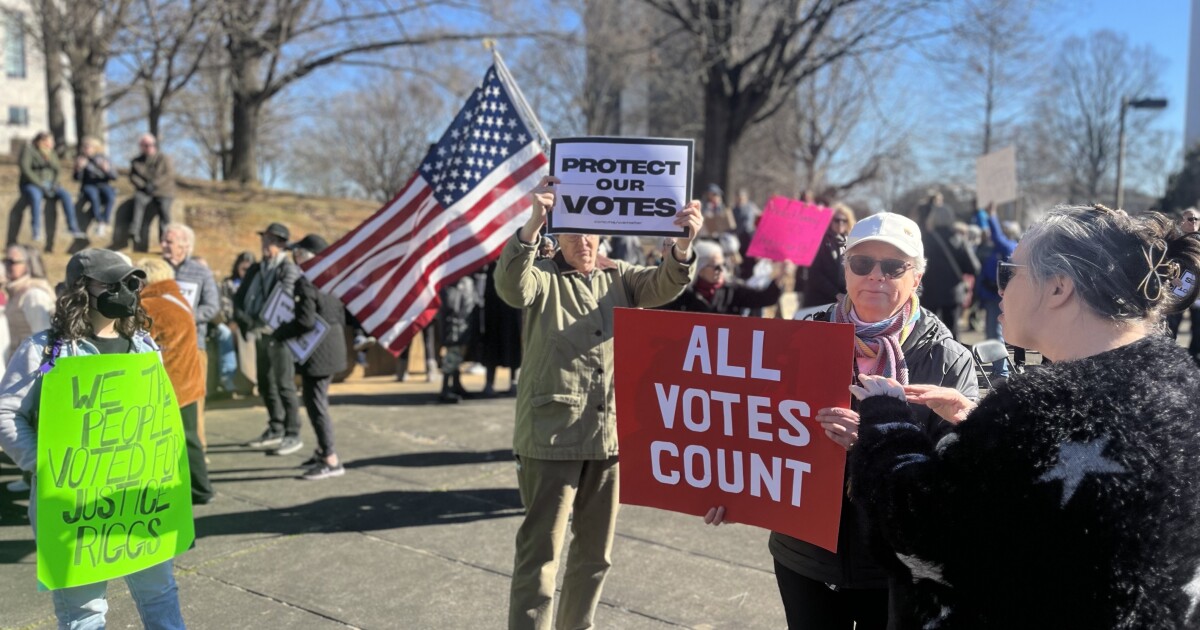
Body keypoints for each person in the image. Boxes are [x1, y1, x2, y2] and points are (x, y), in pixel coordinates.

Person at [847, 204, 1200, 628]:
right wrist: (977, 425)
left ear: (1058, 288)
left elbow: (916, 532)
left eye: (1010, 272)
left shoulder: (1042, 409)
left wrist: (888, 422)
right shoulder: (1180, 378)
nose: (999, 289)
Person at [706, 212, 979, 629]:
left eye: (893, 267)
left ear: (917, 276)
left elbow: (962, 476)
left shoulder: (948, 359)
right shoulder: (799, 336)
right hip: (804, 554)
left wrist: (876, 443)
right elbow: (753, 426)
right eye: (861, 263)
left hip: (891, 565)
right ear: (846, 267)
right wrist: (728, 486)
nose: (876, 276)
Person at [496, 174, 701, 630]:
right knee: (540, 557)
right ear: (558, 235)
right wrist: (533, 224)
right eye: (571, 233)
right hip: (551, 437)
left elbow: (666, 284)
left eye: (590, 232)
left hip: (608, 438)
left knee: (595, 557)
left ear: (603, 233)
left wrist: (683, 247)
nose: (582, 242)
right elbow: (512, 288)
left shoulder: (620, 276)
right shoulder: (543, 277)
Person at [0, 248, 186, 628]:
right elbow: (7, 413)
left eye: (132, 282)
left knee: (160, 596)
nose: (127, 290)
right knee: (84, 614)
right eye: (113, 283)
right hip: (72, 507)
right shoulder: (45, 350)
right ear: (83, 289)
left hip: (137, 502)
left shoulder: (144, 345)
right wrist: (46, 464)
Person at [136, 257, 214, 504]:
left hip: (169, 383)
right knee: (189, 439)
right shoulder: (176, 298)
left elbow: (137, 342)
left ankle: (197, 489)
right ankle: (201, 488)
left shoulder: (151, 306)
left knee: (166, 442)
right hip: (188, 379)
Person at [273, 234, 348, 480]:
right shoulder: (333, 279)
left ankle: (330, 458)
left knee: (316, 404)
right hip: (333, 346)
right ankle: (322, 451)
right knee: (318, 400)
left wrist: (281, 331)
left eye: (298, 254)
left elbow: (304, 322)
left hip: (316, 351)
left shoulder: (307, 282)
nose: (295, 258)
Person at [234, 222, 303, 456]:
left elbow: (285, 298)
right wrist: (245, 319)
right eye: (264, 240)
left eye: (272, 241)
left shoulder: (288, 268)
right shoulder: (256, 268)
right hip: (260, 332)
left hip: (279, 334)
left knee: (284, 384)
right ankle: (275, 426)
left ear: (282, 244)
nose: (266, 245)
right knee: (265, 383)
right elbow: (240, 296)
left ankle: (292, 432)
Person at [161, 223, 220, 446]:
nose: (163, 245)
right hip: (161, 349)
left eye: (169, 241)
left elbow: (212, 307)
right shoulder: (156, 270)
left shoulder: (201, 272)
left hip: (193, 347)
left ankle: (198, 453)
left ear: (185, 245)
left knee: (194, 403)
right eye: (163, 240)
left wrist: (183, 317)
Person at [664, 240, 783, 314]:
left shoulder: (732, 290)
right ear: (700, 269)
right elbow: (661, 310)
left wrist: (779, 279)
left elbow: (764, 298)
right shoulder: (684, 293)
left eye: (723, 265)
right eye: (716, 267)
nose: (721, 270)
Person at [16, 132, 85, 252]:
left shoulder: (52, 153)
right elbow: (25, 168)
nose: (51, 143)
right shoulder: (30, 150)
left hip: (51, 184)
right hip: (32, 184)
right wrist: (39, 183)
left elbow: (58, 170)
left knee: (66, 196)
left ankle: (72, 227)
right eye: (49, 141)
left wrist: (54, 184)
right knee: (35, 197)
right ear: (41, 141)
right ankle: (36, 230)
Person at [921, 202, 980, 340]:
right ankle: (953, 360)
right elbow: (974, 268)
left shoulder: (925, 239)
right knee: (952, 333)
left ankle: (928, 361)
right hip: (953, 293)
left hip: (930, 292)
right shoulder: (958, 239)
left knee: (927, 332)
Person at [478, 261, 522, 397]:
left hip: (513, 301)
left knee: (514, 340)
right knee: (492, 341)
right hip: (493, 302)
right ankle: (489, 382)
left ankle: (513, 381)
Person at [799, 203, 855, 308]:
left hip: (843, 302)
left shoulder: (851, 243)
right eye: (836, 220)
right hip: (819, 302)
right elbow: (814, 274)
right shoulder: (820, 240)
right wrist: (836, 294)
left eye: (844, 220)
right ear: (830, 220)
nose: (840, 223)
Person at [129, 134, 176, 253]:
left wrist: (154, 184)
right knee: (138, 202)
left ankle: (165, 241)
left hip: (163, 191)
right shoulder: (137, 161)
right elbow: (133, 177)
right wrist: (144, 186)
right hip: (145, 192)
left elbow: (168, 175)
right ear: (141, 146)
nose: (149, 147)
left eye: (151, 144)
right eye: (145, 145)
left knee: (164, 214)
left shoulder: (164, 158)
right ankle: (134, 231)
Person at [4, 245, 55, 356]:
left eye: (12, 262)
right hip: (16, 362)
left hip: (29, 366)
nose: (6, 266)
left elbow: (43, 339)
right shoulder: (16, 292)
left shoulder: (34, 295)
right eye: (5, 261)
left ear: (27, 265)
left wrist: (43, 370)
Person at [436, 275, 480, 403]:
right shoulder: (452, 282)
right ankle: (445, 389)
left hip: (464, 324)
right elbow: (451, 305)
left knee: (458, 357)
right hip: (454, 326)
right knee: (452, 357)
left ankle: (456, 385)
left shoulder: (467, 281)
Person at [218, 251, 256, 395]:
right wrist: (232, 321)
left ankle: (250, 381)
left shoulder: (256, 284)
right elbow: (224, 304)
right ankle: (230, 379)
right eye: (243, 266)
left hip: (250, 323)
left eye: (249, 267)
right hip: (232, 323)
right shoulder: (228, 283)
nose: (246, 270)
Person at [1167, 207, 1200, 354]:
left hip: (1197, 293)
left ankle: (1193, 358)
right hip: (1176, 291)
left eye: (1196, 219)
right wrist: (1172, 277)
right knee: (1171, 328)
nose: (1193, 222)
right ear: (1182, 222)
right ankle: (1169, 357)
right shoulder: (1174, 241)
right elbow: (1162, 261)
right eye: (1190, 218)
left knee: (1198, 331)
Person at [73, 136, 118, 238]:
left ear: (95, 148)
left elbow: (114, 176)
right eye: (84, 147)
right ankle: (99, 220)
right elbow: (76, 178)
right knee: (94, 197)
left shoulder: (104, 159)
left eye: (88, 147)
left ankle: (105, 221)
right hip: (88, 185)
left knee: (110, 196)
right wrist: (79, 168)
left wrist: (106, 170)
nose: (86, 149)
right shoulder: (81, 159)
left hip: (103, 184)